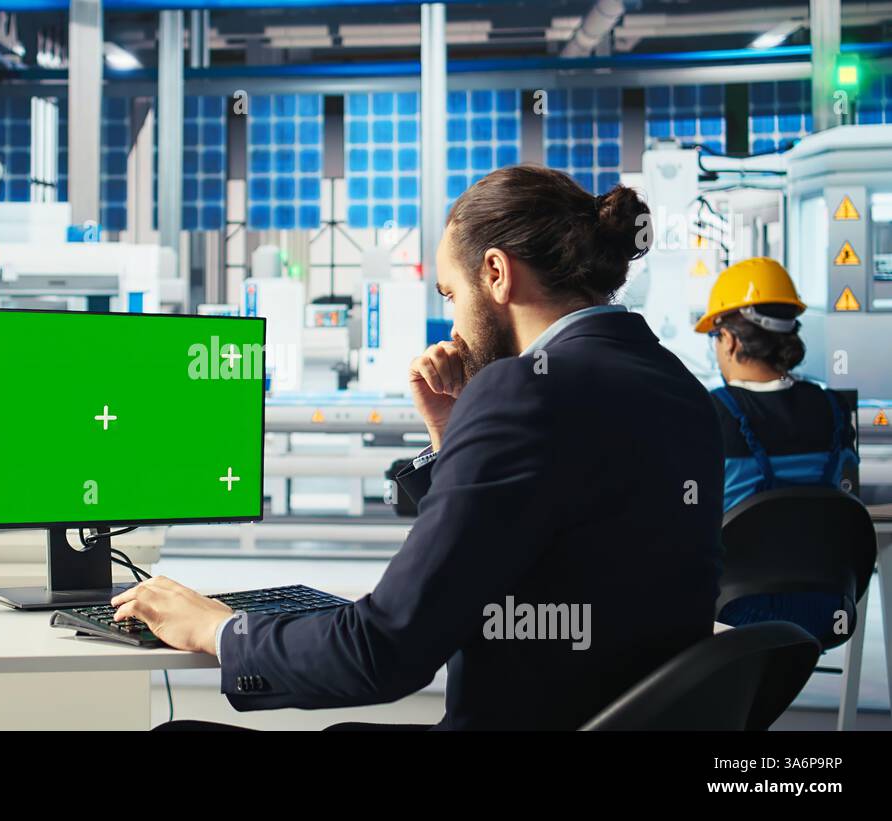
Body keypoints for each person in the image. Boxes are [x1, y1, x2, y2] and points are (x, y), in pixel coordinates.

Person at [109, 165, 725, 730]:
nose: (453, 326)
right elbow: (543, 540)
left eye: (452, 295)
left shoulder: (522, 392)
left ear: (496, 273)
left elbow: (382, 654)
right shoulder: (680, 388)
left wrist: (217, 629)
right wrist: (455, 438)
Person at [694, 257, 858, 641]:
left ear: (730, 341)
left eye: (715, 338)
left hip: (730, 607)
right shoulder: (835, 409)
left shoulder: (711, 413)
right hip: (826, 603)